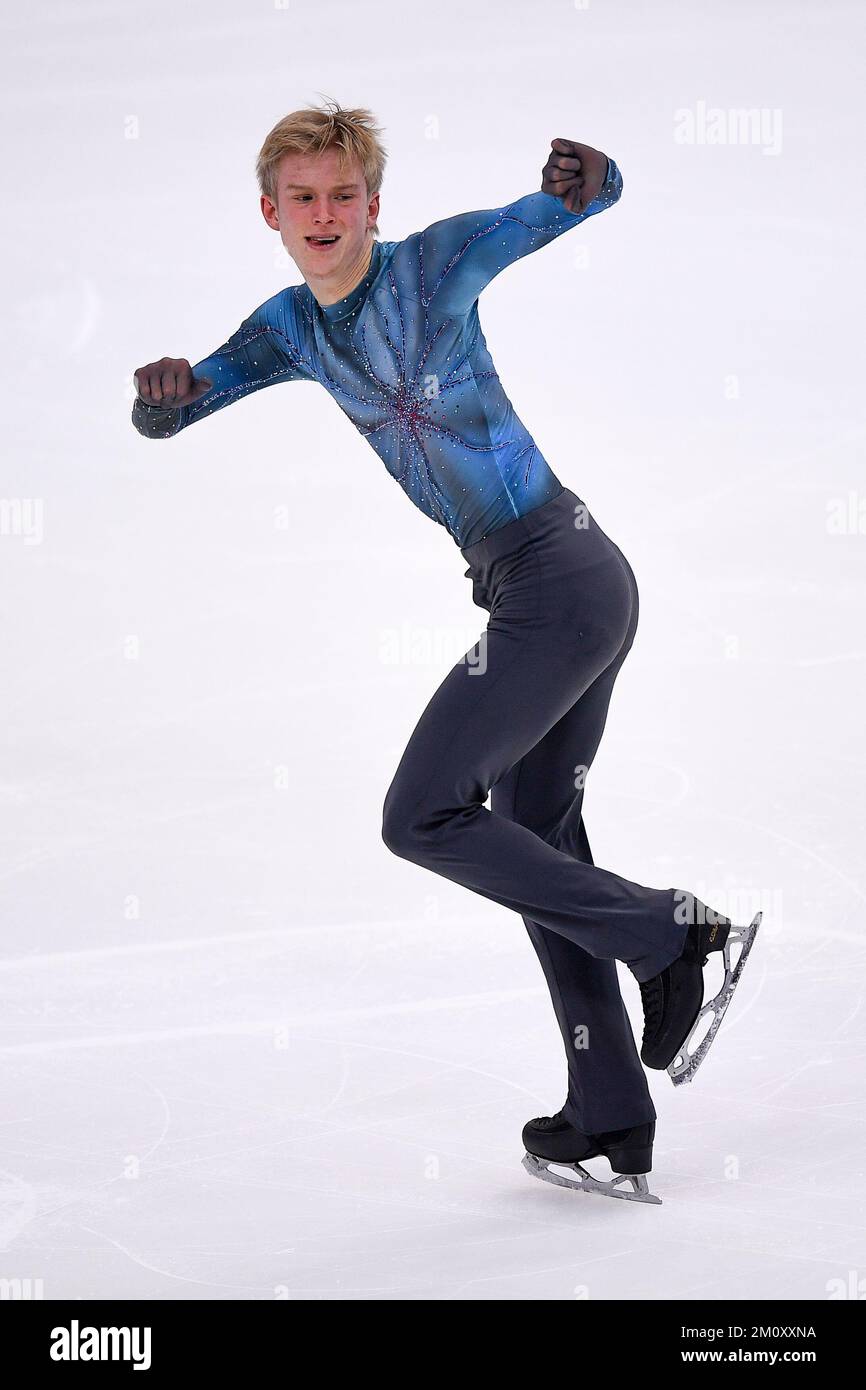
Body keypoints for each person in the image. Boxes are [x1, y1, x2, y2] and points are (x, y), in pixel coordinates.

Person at [131, 99, 759, 1201]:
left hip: (557, 585)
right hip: (553, 586)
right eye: (302, 198)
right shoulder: (290, 325)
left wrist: (589, 181)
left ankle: (672, 931)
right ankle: (609, 1108)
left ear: (374, 203)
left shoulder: (433, 263)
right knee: (533, 840)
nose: (323, 214)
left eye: (342, 194)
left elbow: (559, 209)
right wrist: (165, 402)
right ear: (270, 212)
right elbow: (192, 402)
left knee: (419, 813)